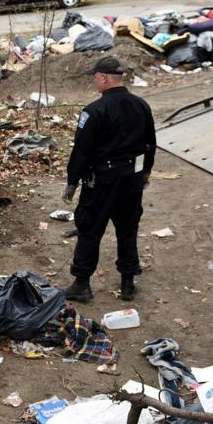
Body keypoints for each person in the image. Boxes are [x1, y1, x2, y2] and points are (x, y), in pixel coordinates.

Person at [62, 56, 156, 302]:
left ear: (103, 78)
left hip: (103, 181)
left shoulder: (94, 111)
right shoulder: (141, 105)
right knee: (127, 228)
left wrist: (72, 181)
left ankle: (82, 284)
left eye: (95, 77)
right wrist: (145, 173)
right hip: (132, 179)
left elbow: (82, 150)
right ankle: (127, 283)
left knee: (90, 229)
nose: (95, 82)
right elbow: (150, 144)